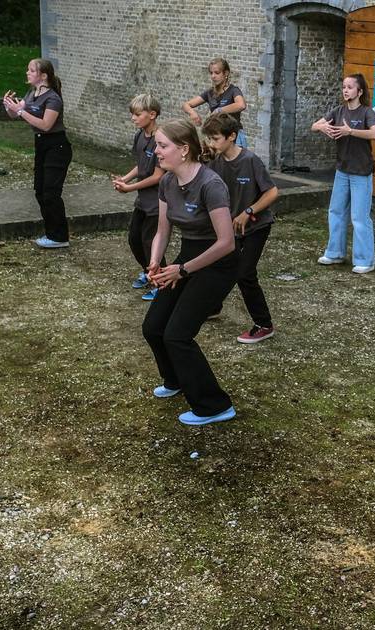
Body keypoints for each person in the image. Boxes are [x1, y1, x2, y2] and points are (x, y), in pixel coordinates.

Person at [141, 119, 239, 426]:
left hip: (217, 263)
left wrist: (182, 270)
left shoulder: (210, 184)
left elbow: (226, 242)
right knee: (153, 327)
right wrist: (155, 262)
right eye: (156, 145)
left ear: (184, 150)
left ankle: (215, 406)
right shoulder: (168, 182)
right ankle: (177, 380)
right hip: (186, 258)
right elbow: (162, 230)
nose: (156, 151)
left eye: (162, 145)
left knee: (177, 335)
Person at [204, 114, 281, 344]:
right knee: (219, 266)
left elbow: (272, 192)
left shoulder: (250, 160)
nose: (211, 143)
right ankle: (213, 307)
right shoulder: (213, 162)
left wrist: (249, 211)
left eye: (215, 138)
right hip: (231, 228)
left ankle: (264, 324)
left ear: (232, 136)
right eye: (209, 138)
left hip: (257, 226)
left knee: (245, 273)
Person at [311, 73, 375, 274]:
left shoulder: (367, 112)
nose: (345, 90)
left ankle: (366, 260)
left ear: (359, 91)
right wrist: (323, 127)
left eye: (350, 87)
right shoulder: (338, 111)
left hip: (361, 172)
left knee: (359, 217)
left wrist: (351, 131)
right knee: (336, 212)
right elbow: (314, 126)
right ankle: (335, 253)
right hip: (342, 171)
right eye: (344, 87)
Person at [3, 58, 73, 249]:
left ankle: (60, 236)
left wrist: (20, 111)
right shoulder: (32, 93)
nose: (27, 73)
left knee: (51, 192)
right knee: (40, 191)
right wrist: (9, 106)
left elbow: (46, 125)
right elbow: (16, 113)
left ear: (43, 76)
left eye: (31, 70)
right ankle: (52, 233)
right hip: (41, 145)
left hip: (57, 146)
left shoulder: (53, 99)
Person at [113, 94, 166, 301]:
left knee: (150, 242)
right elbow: (141, 164)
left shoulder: (161, 139)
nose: (133, 118)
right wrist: (124, 179)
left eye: (137, 114)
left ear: (152, 115)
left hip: (158, 202)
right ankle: (148, 272)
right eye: (132, 114)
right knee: (134, 238)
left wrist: (130, 188)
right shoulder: (140, 136)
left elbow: (157, 176)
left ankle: (161, 283)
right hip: (143, 200)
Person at [182, 58, 248, 147]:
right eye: (211, 73)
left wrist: (219, 110)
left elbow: (241, 105)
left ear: (226, 73)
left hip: (233, 137)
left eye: (217, 73)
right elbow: (186, 105)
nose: (213, 76)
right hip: (217, 137)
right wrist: (192, 113)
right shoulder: (210, 92)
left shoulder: (233, 90)